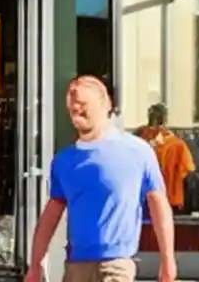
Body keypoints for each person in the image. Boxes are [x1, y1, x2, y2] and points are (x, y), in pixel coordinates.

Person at [25, 75, 176, 282]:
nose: (76, 110)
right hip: (75, 267)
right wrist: (35, 265)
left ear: (105, 104)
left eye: (82, 104)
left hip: (116, 266)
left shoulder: (137, 152)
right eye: (72, 107)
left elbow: (159, 205)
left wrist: (168, 262)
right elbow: (51, 214)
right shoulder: (64, 161)